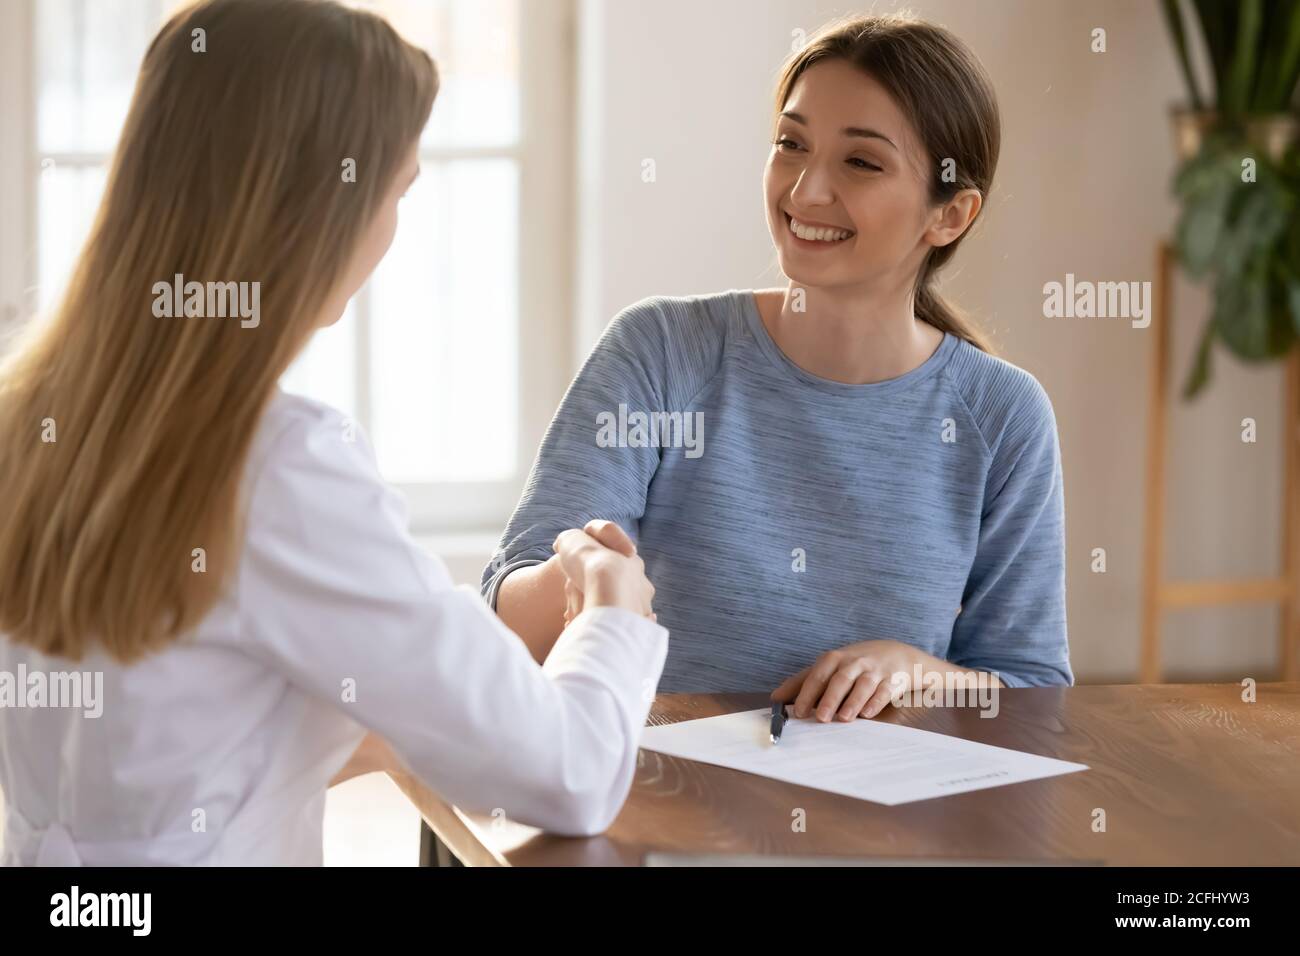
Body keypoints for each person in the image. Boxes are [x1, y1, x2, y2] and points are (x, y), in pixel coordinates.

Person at [0, 0, 664, 867]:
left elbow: (192, 711)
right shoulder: (276, 463)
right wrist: (615, 613)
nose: (389, 234)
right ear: (315, 211)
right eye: (397, 192)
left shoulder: (34, 411)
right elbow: (570, 776)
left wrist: (477, 643)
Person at [487, 13, 1072, 722]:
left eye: (861, 162)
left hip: (882, 818)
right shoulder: (661, 351)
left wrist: (923, 672)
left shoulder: (1002, 417)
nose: (804, 191)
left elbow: (1033, 690)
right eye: (791, 145)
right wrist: (583, 578)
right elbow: (509, 624)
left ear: (949, 215)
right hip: (664, 799)